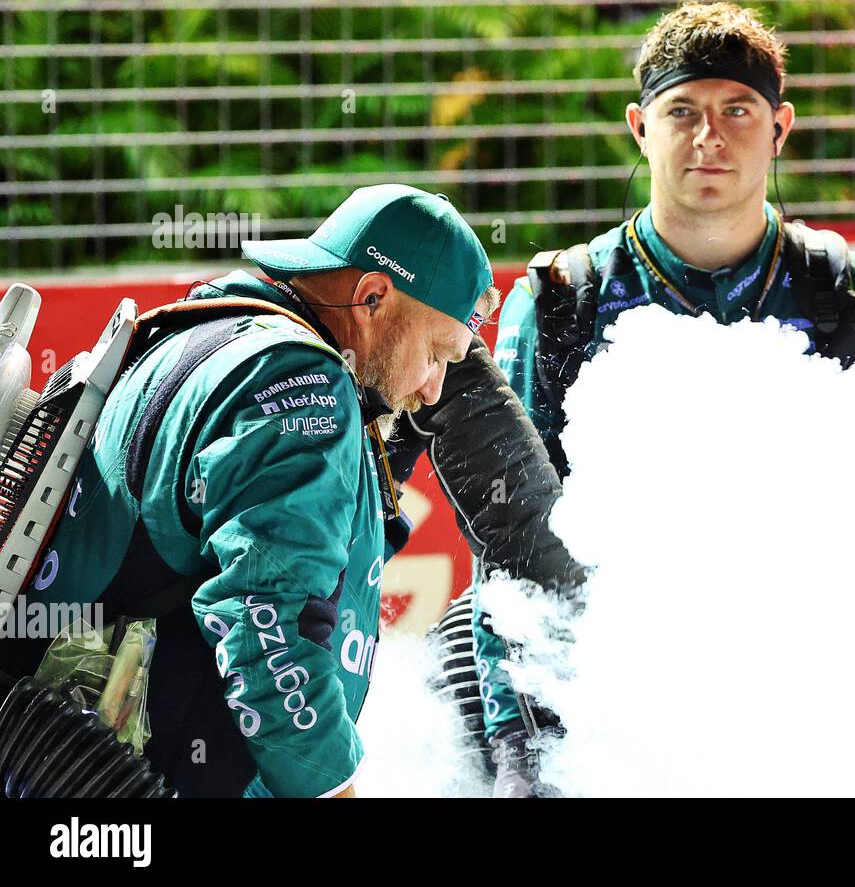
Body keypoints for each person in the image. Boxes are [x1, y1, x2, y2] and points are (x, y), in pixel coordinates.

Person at [482, 0, 855, 795]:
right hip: (615, 708)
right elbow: (512, 536)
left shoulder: (854, 296)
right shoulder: (565, 299)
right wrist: (519, 744)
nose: (710, 137)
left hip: (824, 705)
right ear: (639, 125)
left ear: (780, 128)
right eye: (683, 111)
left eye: (738, 110)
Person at [0, 184, 579, 798]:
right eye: (436, 352)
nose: (434, 389)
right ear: (373, 297)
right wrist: (333, 789)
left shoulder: (214, 338)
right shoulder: (306, 385)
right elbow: (267, 625)